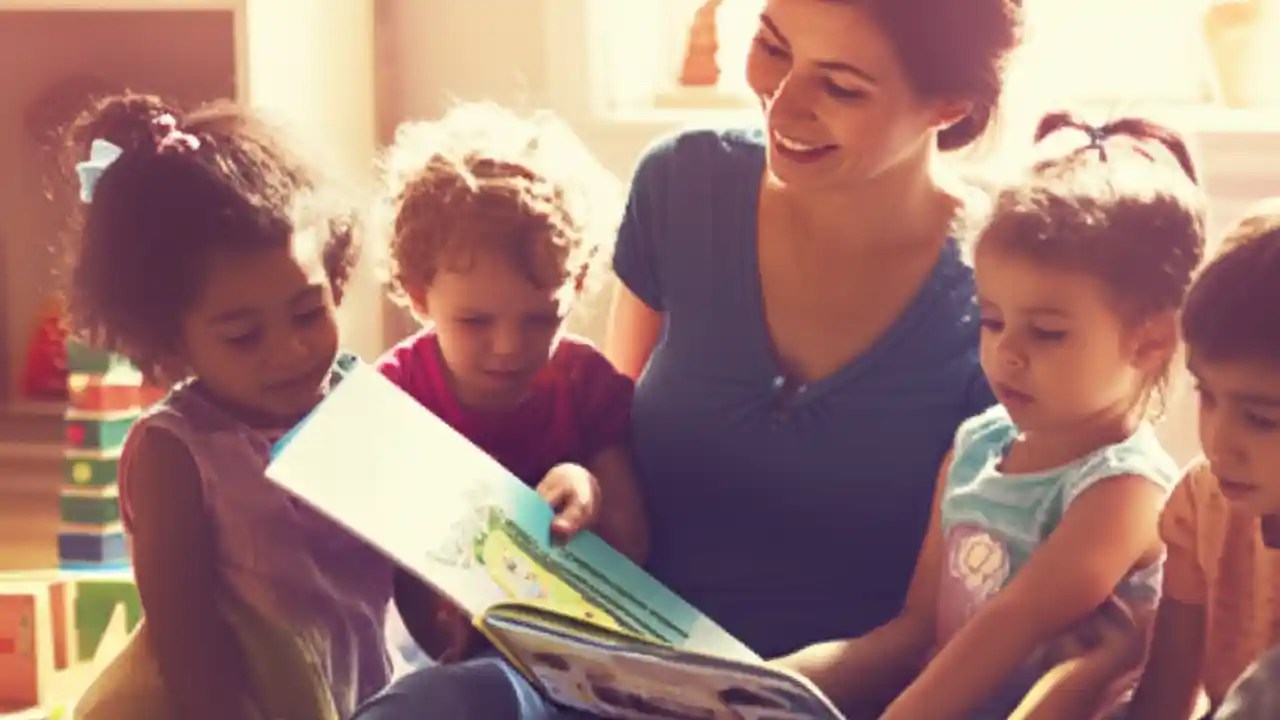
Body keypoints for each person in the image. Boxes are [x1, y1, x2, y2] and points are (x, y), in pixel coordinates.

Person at [352, 0, 1021, 715]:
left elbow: (934, 625)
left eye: (841, 86)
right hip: (619, 668)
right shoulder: (683, 184)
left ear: (947, 107)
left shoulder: (1001, 291)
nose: (782, 103)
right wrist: (576, 489)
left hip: (823, 695)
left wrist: (741, 695)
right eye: (772, 47)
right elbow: (612, 429)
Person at [785, 111, 1208, 719]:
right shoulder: (977, 447)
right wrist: (770, 683)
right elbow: (918, 630)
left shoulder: (1127, 489)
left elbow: (1013, 623)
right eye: (991, 320)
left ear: (1149, 342)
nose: (1007, 351)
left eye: (1047, 332)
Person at [62, 93, 393, 720]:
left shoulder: (358, 401)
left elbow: (413, 548)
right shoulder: (177, 453)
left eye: (308, 311)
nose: (291, 350)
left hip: (347, 688)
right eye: (243, 336)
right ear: (170, 336)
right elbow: (185, 641)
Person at [356, 103, 648, 716]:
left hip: (574, 664)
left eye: (541, 318)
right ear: (417, 295)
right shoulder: (395, 394)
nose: (510, 347)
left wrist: (585, 485)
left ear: (577, 286)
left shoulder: (583, 384)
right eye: (475, 321)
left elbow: (635, 550)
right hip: (431, 656)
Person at [1125, 200, 1280, 719]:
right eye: (1206, 396)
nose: (1218, 442)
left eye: (1262, 420)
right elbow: (1165, 700)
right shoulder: (1202, 500)